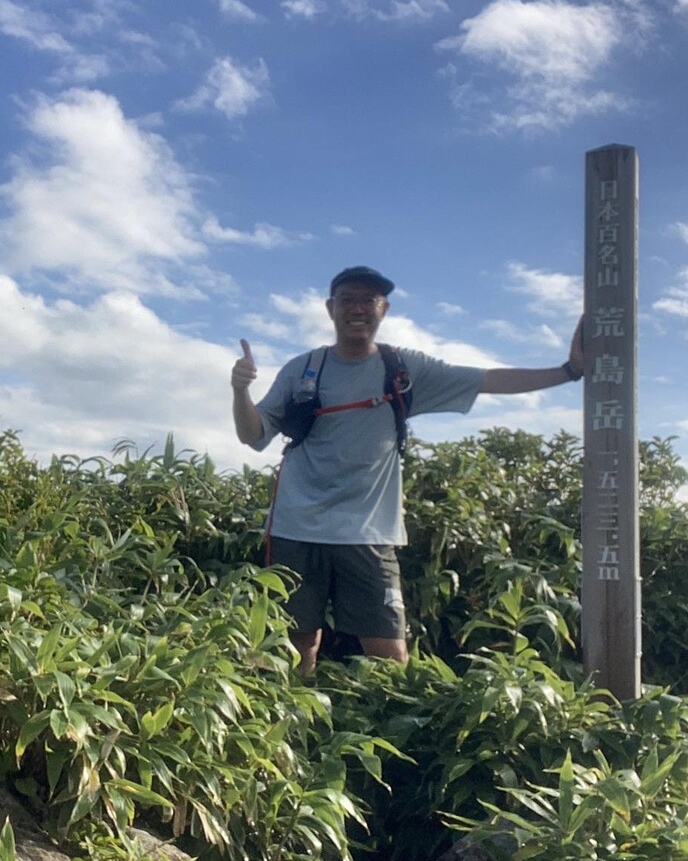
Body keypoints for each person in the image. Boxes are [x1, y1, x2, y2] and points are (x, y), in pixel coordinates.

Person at [231, 265, 583, 673]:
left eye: (369, 300)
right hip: (295, 526)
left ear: (385, 310)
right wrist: (241, 391)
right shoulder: (302, 368)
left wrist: (568, 372)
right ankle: (292, 727)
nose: (358, 308)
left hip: (369, 532)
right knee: (296, 643)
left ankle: (382, 725)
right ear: (330, 309)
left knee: (390, 654)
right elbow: (253, 434)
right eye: (348, 300)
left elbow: (487, 380)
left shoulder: (401, 369)